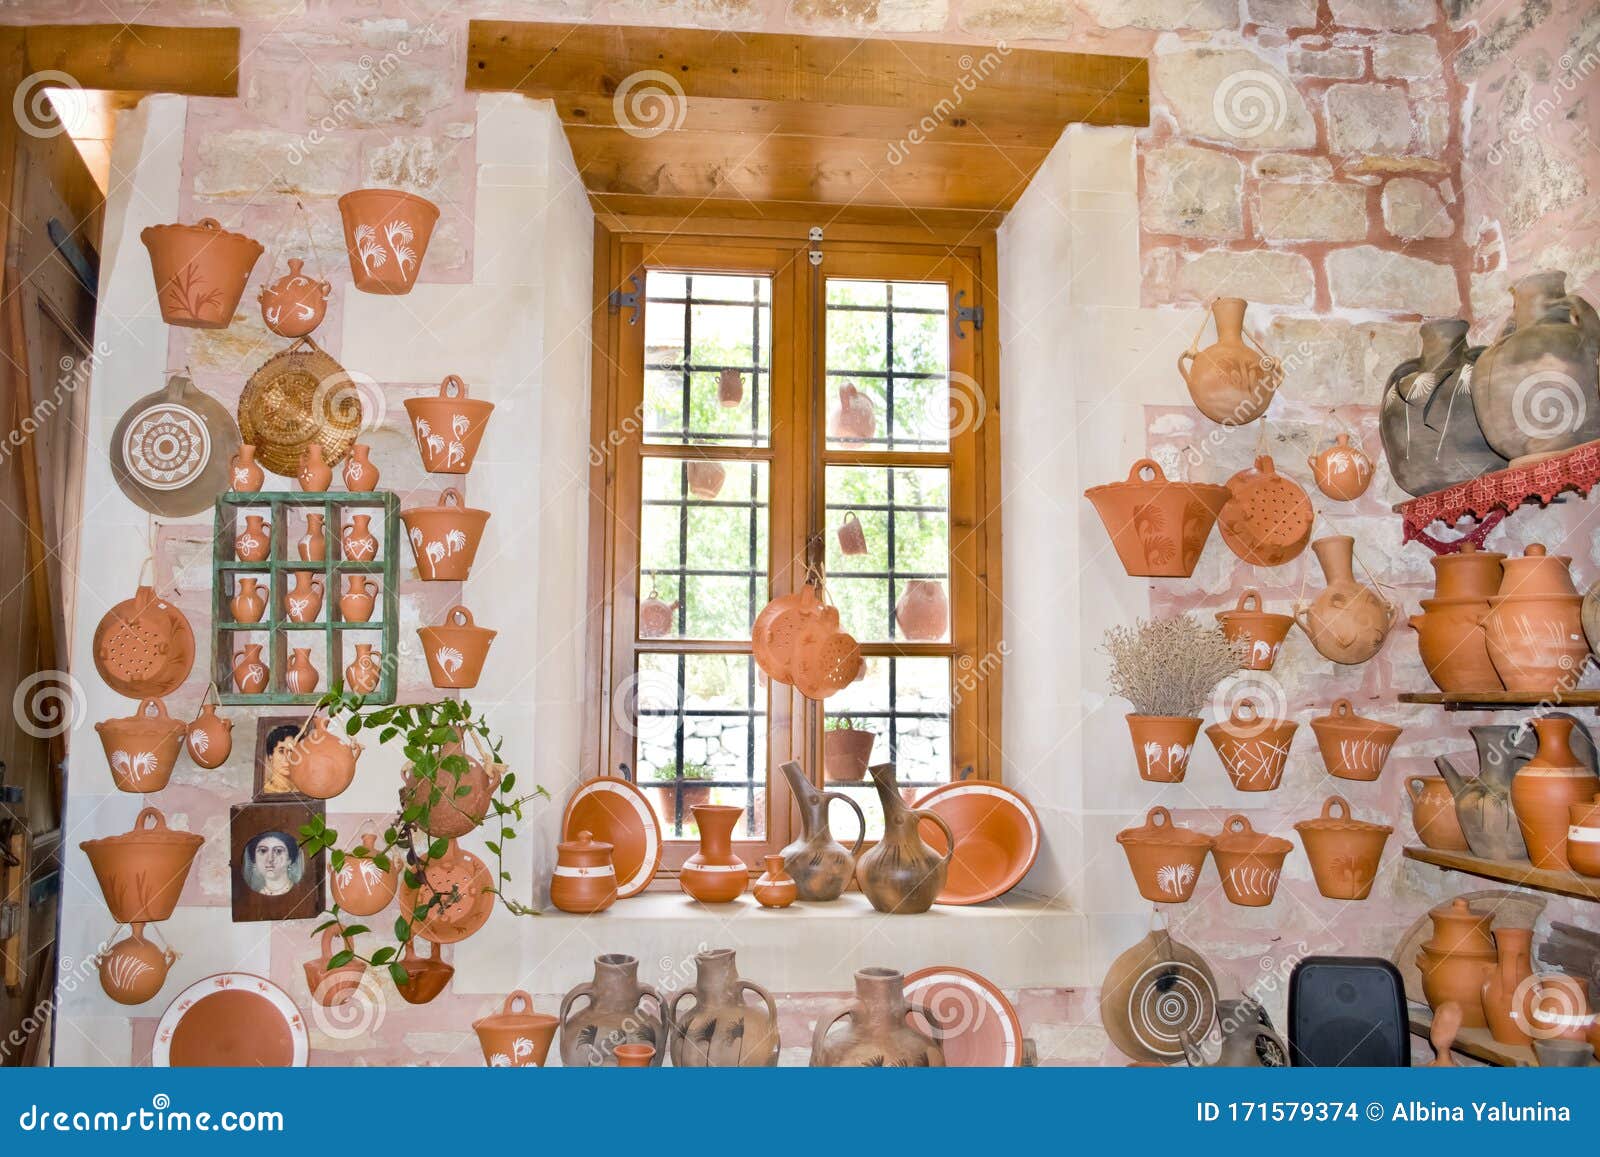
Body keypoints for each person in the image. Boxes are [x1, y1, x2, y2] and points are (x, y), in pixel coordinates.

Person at [243, 830, 301, 895]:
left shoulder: (300, 892)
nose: (270, 859)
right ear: (254, 860)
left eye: (278, 851)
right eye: (263, 851)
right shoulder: (252, 895)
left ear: (290, 859)